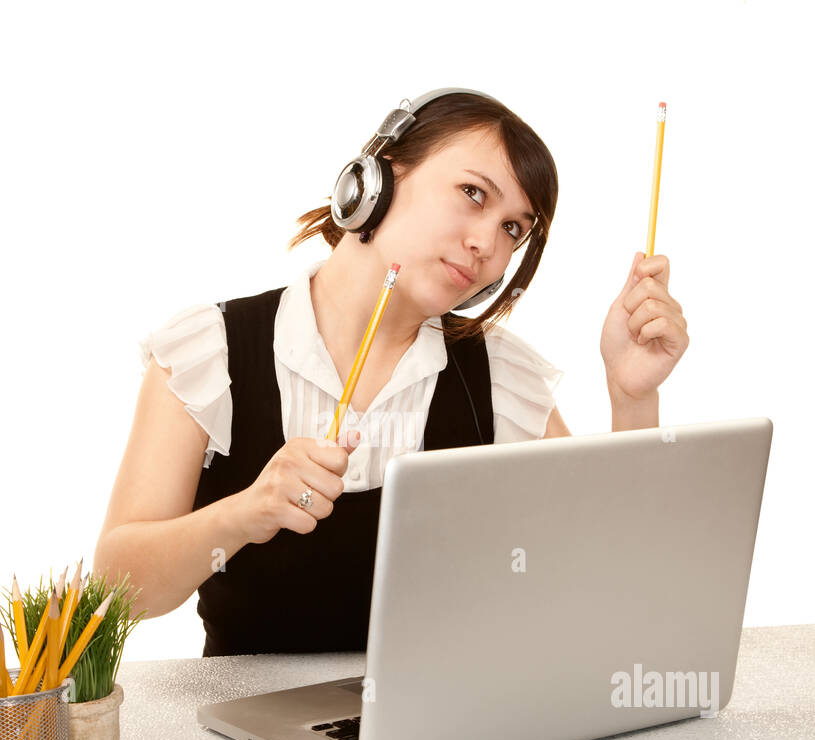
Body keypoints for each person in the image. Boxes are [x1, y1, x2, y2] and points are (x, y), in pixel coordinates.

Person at [93, 88, 689, 656]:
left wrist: (631, 396)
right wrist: (249, 511)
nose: (488, 243)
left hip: (436, 734)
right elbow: (119, 593)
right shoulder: (212, 351)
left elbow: (615, 586)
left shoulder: (497, 378)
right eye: (474, 193)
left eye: (514, 228)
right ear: (375, 178)